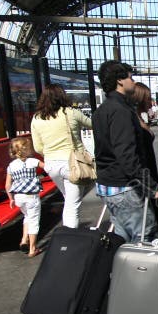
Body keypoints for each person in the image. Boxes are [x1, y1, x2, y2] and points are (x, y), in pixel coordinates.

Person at [92, 61, 158, 242]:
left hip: (108, 185)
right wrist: (152, 186)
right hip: (124, 187)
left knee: (122, 238)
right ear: (120, 81)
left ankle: (120, 270)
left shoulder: (102, 110)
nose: (133, 81)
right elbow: (126, 155)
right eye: (130, 77)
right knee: (143, 237)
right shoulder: (121, 111)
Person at [30, 83, 93, 229]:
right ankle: (69, 240)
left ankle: (70, 234)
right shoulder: (70, 113)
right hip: (72, 164)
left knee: (69, 199)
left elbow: (38, 147)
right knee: (73, 205)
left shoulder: (37, 118)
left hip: (51, 165)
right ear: (62, 96)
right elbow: (93, 124)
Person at [5, 137, 44, 258]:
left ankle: (23, 240)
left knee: (27, 216)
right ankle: (32, 248)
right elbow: (47, 167)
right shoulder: (32, 161)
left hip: (18, 197)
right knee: (34, 221)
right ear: (26, 150)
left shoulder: (11, 166)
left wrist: (11, 199)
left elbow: (7, 185)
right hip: (31, 196)